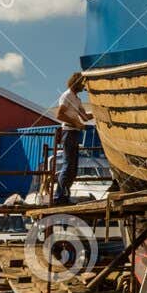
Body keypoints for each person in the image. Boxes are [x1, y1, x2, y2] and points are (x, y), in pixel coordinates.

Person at [52, 73, 94, 206]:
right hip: (68, 132)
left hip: (75, 133)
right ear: (77, 82)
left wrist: (98, 113)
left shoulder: (77, 99)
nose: (84, 86)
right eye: (82, 83)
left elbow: (84, 117)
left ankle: (65, 195)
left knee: (73, 168)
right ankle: (59, 197)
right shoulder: (67, 96)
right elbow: (59, 114)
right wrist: (75, 122)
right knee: (68, 165)